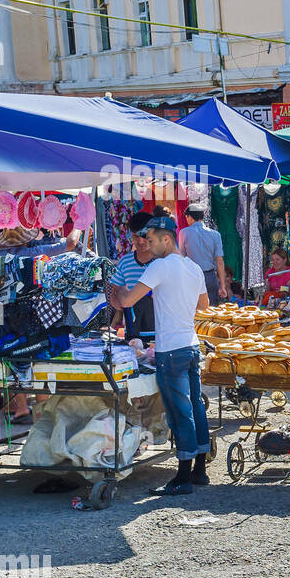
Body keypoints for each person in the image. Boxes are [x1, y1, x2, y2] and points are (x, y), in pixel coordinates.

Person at [113, 213, 210, 496]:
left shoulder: (161, 266)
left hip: (171, 350)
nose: (148, 244)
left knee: (181, 413)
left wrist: (118, 288)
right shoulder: (192, 268)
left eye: (152, 239)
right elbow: (203, 307)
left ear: (167, 239)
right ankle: (199, 470)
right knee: (195, 407)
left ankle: (182, 478)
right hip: (191, 345)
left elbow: (128, 300)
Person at [109, 211, 156, 342]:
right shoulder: (125, 262)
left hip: (163, 335)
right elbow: (114, 296)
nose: (140, 241)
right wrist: (122, 300)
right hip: (133, 335)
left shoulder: (163, 261)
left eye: (144, 236)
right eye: (135, 236)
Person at [178, 206, 228, 305]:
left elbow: (182, 258)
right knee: (211, 311)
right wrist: (222, 285)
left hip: (192, 277)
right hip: (210, 277)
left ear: (189, 217)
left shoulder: (183, 233)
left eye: (186, 217)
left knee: (193, 311)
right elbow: (220, 262)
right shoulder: (215, 234)